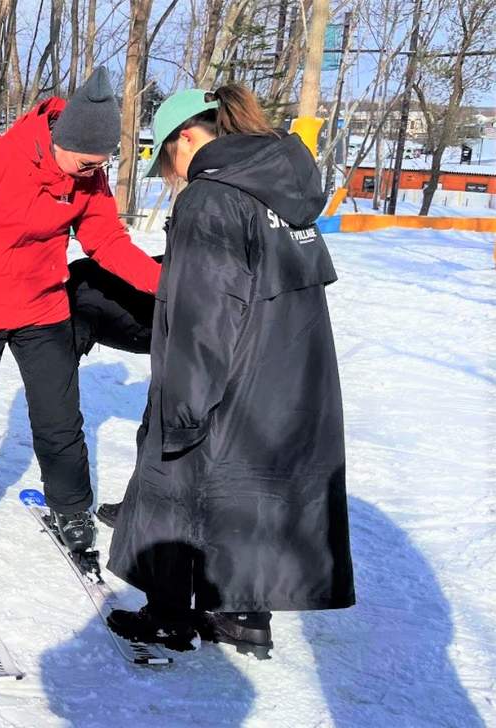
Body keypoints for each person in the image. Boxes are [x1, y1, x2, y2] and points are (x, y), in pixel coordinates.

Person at [104, 86, 355, 658]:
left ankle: (169, 616)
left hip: (229, 374)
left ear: (186, 138)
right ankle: (243, 614)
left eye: (166, 159)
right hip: (288, 378)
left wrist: (183, 406)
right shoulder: (278, 188)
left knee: (180, 485)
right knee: (247, 494)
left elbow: (204, 314)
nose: (170, 175)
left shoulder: (211, 199)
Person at [0, 68, 161, 568]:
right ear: (64, 140)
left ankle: (71, 509)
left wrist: (166, 285)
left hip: (44, 308)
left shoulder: (89, 178)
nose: (94, 172)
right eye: (88, 162)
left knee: (59, 419)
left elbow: (106, 241)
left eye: (101, 164)